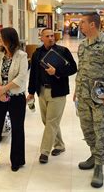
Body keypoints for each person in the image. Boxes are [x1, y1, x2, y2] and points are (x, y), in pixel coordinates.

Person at [74, 12, 104, 188]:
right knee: (87, 130)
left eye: (82, 23)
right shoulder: (82, 45)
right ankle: (93, 155)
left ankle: (99, 167)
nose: (79, 25)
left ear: (93, 25)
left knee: (101, 131)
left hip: (100, 97)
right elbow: (81, 70)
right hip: (84, 96)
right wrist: (76, 91)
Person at [27, 28, 77, 164]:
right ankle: (59, 145)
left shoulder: (63, 51)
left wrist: (57, 71)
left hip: (58, 92)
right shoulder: (37, 54)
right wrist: (31, 92)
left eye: (52, 35)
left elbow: (73, 68)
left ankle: (44, 152)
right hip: (42, 91)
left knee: (51, 122)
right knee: (47, 121)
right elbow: (33, 74)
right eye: (47, 36)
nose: (51, 38)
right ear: (41, 38)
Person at [0, 27, 28, 172]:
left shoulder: (22, 56)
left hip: (16, 97)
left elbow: (21, 78)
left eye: (1, 37)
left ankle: (16, 161)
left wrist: (5, 89)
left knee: (17, 129)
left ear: (8, 39)